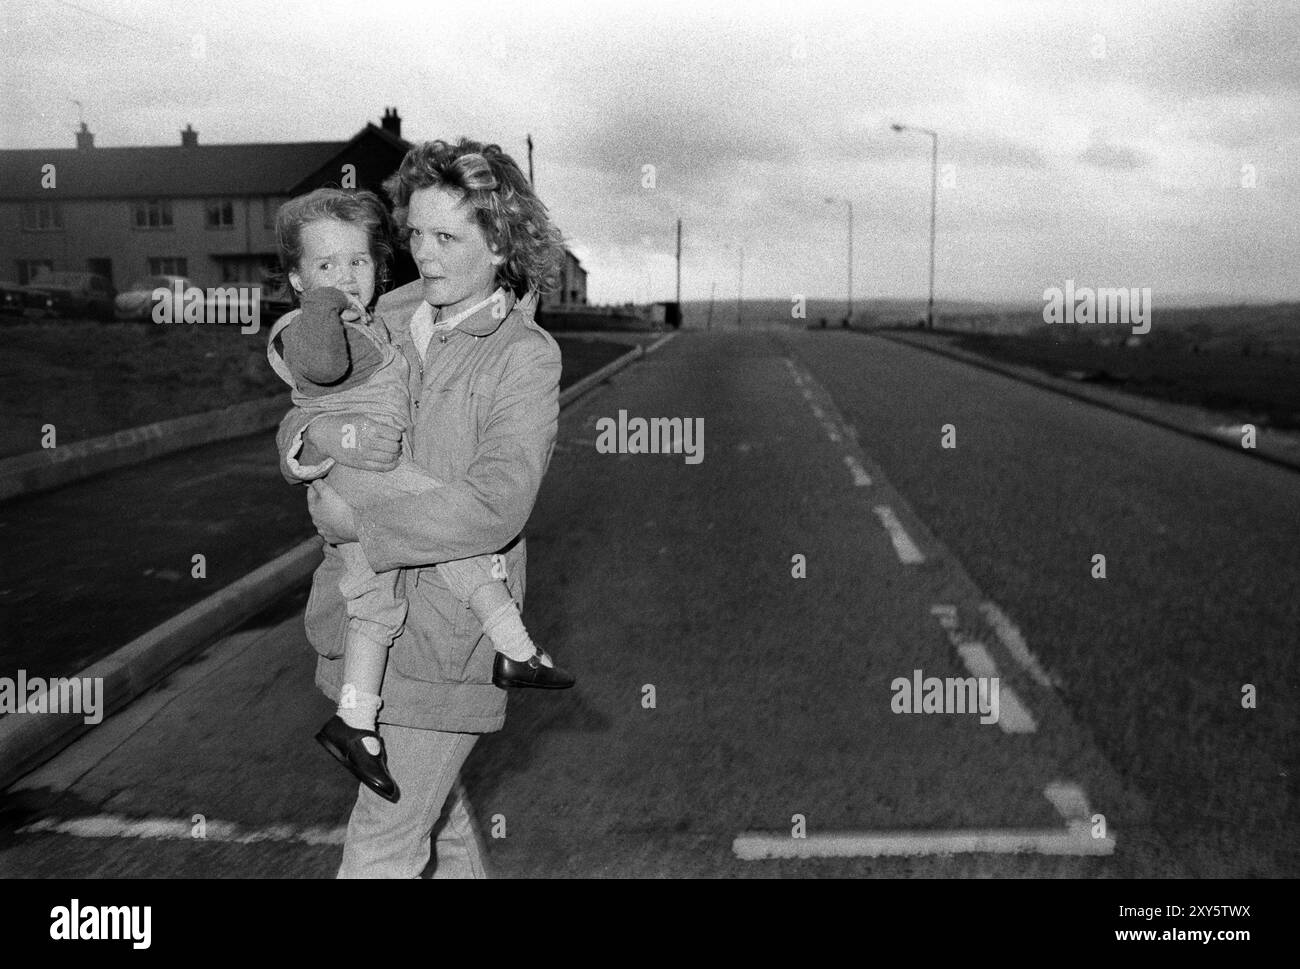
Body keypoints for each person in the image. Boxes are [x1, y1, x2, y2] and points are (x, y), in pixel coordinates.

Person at [275, 139, 566, 877]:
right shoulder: (384, 310)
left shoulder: (523, 356)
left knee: (383, 840)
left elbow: (496, 503)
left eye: (447, 237)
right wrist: (309, 440)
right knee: (436, 824)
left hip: (447, 637)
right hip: (363, 625)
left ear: (498, 244)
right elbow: (307, 399)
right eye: (414, 235)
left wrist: (364, 527)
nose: (424, 256)